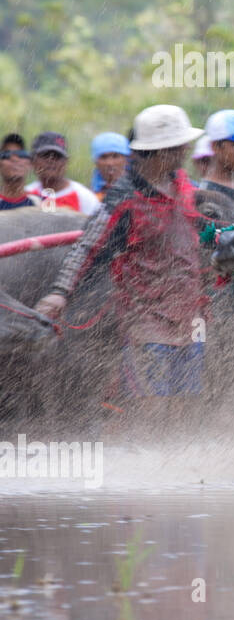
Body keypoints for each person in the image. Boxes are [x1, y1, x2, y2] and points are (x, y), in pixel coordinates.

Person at [33, 105, 208, 420]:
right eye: (178, 146)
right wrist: (61, 291)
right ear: (159, 152)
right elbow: (88, 245)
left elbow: (199, 231)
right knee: (151, 405)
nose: (185, 150)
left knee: (186, 404)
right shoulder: (124, 198)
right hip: (145, 316)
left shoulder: (182, 183)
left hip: (190, 314)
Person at [25, 132, 99, 214]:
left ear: (66, 162)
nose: (51, 161)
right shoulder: (26, 195)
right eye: (45, 155)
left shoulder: (85, 198)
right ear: (33, 161)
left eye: (57, 156)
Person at [0, 134, 37, 211]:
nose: (14, 159)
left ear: (30, 163)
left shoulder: (41, 203)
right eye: (6, 155)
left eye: (21, 154)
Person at [90, 132, 131, 198]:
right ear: (96, 162)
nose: (109, 163)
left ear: (127, 159)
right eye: (103, 157)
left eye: (115, 156)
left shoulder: (139, 192)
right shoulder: (88, 196)